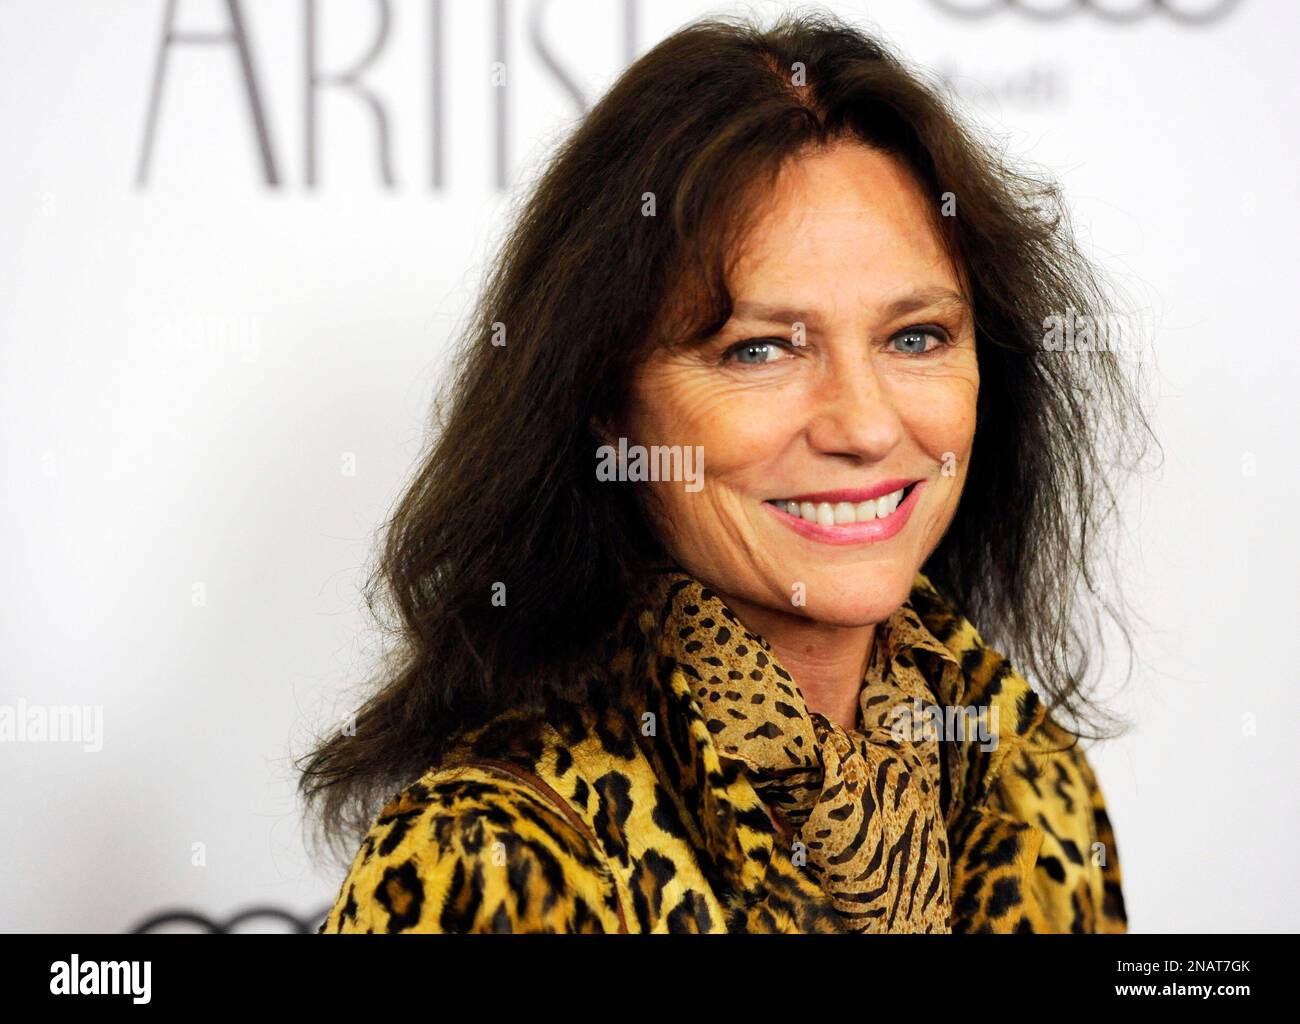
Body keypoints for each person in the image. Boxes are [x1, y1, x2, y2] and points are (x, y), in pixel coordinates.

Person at [300, 10, 1149, 934]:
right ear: (603, 405)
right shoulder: (491, 858)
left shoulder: (1032, 785)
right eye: (758, 352)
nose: (865, 426)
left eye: (917, 337)